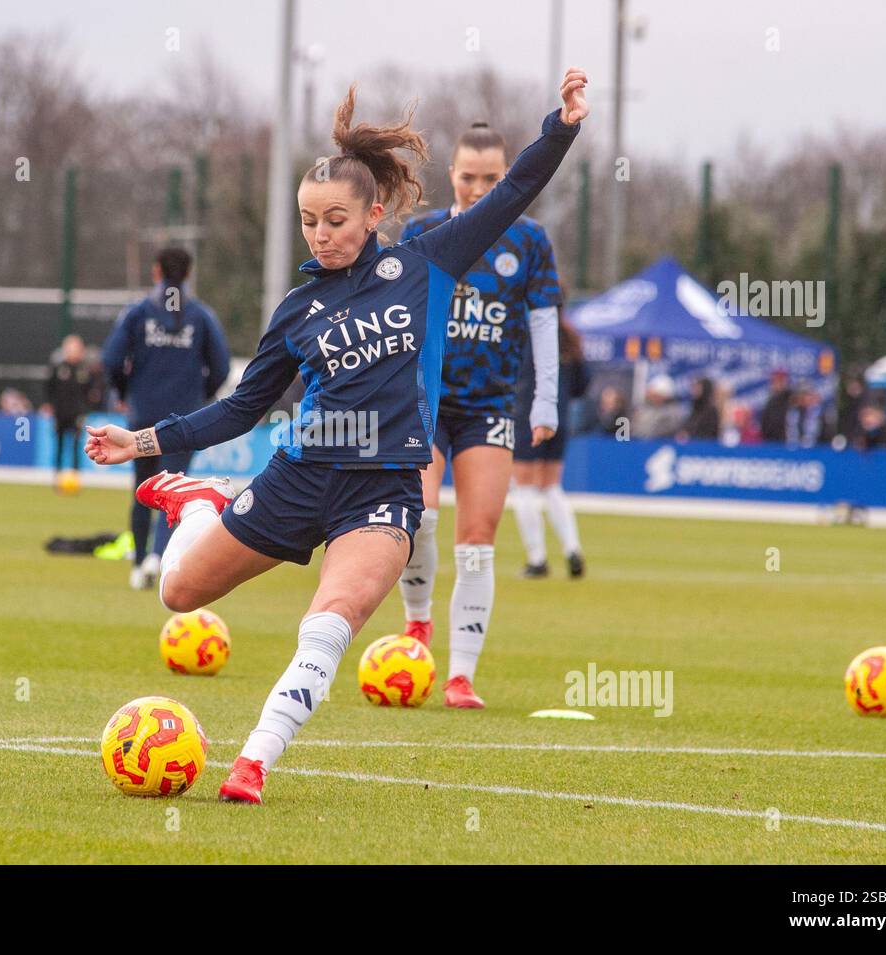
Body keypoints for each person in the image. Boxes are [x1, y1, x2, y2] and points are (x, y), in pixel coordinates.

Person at [86, 70, 587, 804]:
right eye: (308, 220)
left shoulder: (427, 263)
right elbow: (240, 409)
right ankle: (200, 502)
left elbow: (512, 193)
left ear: (374, 212)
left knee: (332, 621)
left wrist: (562, 126)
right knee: (177, 592)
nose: (321, 234)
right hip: (297, 477)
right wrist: (143, 443)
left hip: (383, 489)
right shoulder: (296, 309)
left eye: (336, 220)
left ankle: (253, 762)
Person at [390, 119, 564, 704]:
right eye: (469, 178)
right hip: (425, 403)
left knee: (476, 539)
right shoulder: (425, 232)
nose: (481, 190)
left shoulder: (530, 241)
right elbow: (396, 319)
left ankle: (461, 674)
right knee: (418, 518)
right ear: (453, 176)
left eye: (494, 179)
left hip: (490, 406)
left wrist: (545, 400)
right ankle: (418, 623)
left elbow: (543, 324)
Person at [102, 248, 230, 591]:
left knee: (142, 489)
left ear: (156, 271)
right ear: (188, 273)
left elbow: (111, 359)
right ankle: (159, 558)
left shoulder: (139, 313)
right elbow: (221, 367)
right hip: (184, 420)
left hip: (143, 414)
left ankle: (138, 561)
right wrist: (199, 396)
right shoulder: (201, 316)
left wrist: (126, 390)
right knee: (175, 488)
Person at [512, 316, 590, 579]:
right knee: (552, 485)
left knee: (524, 486)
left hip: (527, 416)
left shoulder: (525, 331)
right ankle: (572, 549)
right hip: (559, 418)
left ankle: (537, 558)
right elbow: (583, 385)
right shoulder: (570, 336)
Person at [44, 334, 103, 484]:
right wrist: (49, 405)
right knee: (59, 444)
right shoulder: (58, 368)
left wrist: (86, 410)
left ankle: (75, 476)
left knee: (78, 445)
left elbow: (92, 392)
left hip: (77, 413)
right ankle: (57, 475)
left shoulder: (84, 369)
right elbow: (49, 388)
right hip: (60, 412)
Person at [677, 377, 720, 442]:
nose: (693, 391)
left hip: (704, 449)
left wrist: (689, 436)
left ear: (705, 390)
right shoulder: (694, 408)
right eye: (693, 388)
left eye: (697, 388)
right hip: (691, 446)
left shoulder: (711, 410)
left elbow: (709, 433)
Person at [758, 369, 793, 443]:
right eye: (775, 380)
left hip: (787, 443)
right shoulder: (769, 401)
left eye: (781, 380)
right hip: (771, 442)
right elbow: (765, 425)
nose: (778, 384)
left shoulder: (791, 399)